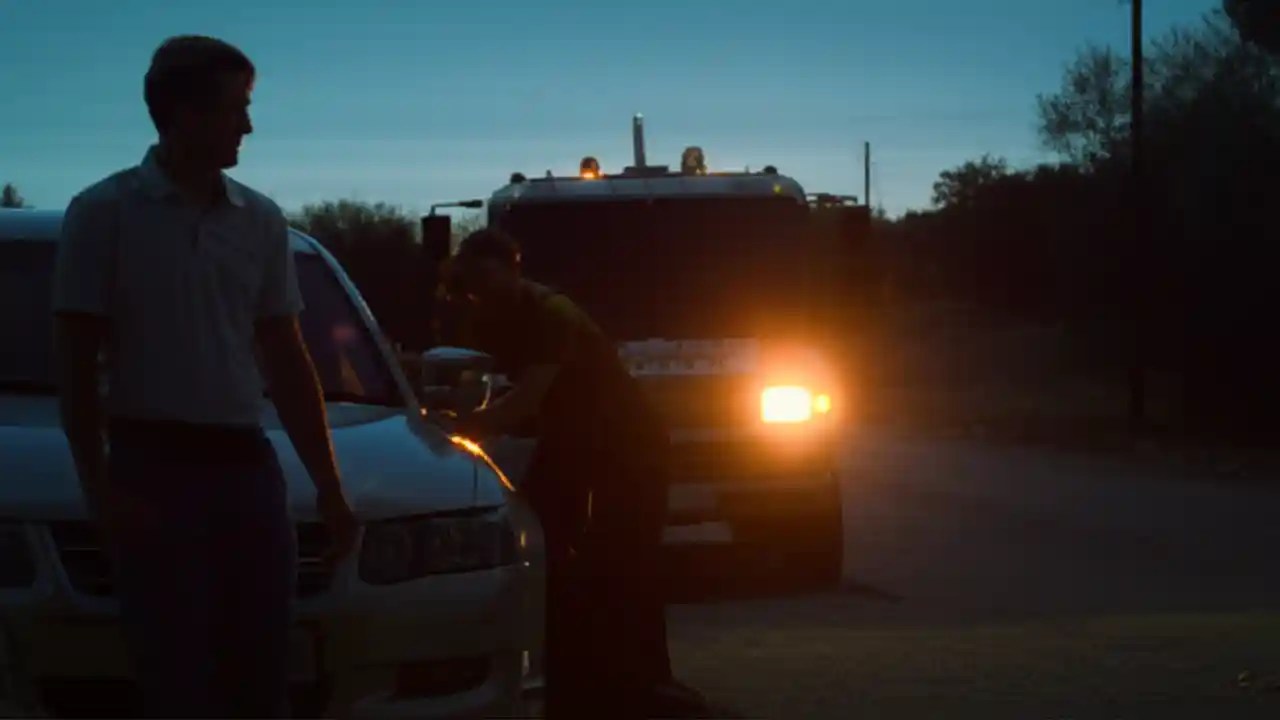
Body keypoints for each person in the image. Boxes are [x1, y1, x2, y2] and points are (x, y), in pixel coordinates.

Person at [52, 35, 358, 718]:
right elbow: (74, 358)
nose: (248, 125)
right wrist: (100, 489)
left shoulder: (260, 221)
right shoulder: (103, 214)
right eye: (236, 108)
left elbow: (287, 355)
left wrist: (330, 487)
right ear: (183, 113)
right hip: (150, 466)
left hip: (246, 465)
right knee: (173, 674)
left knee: (261, 668)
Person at [439, 228, 710, 718]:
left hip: (630, 442)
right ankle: (570, 660)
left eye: (487, 276)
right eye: (472, 281)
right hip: (572, 439)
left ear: (513, 268)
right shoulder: (492, 316)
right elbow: (481, 383)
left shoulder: (553, 314)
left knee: (628, 555)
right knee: (537, 536)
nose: (480, 289)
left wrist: (461, 432)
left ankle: (648, 678)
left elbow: (525, 398)